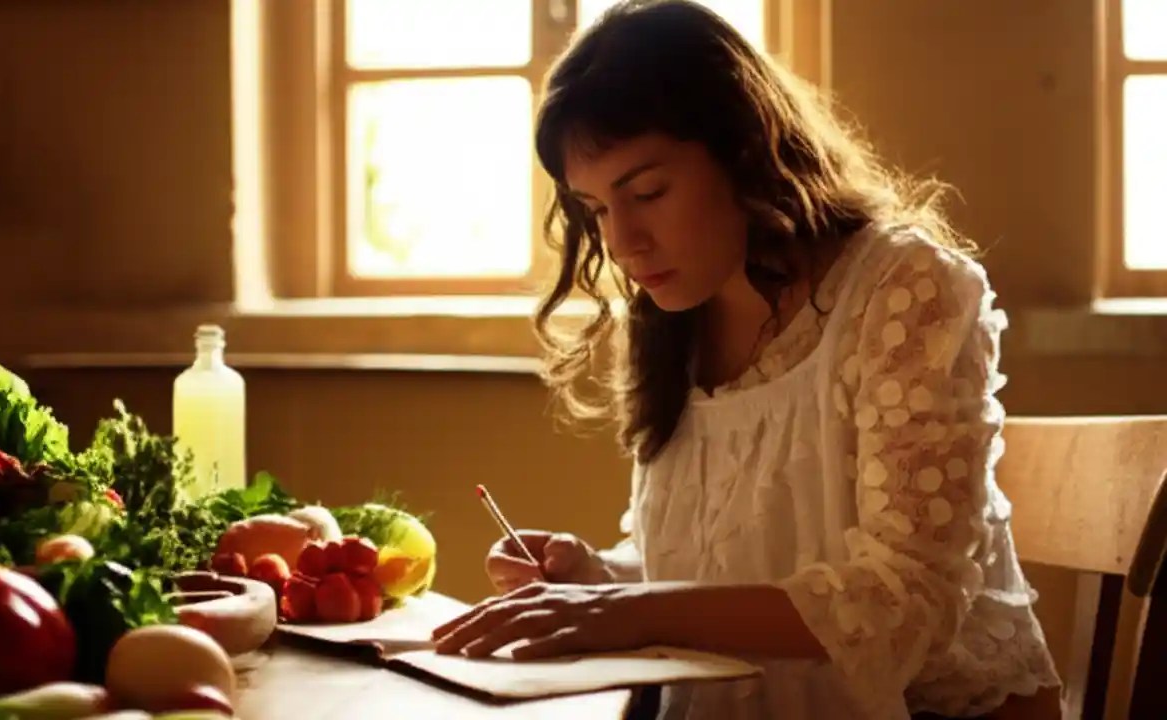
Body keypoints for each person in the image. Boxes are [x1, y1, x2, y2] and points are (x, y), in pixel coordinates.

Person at [429, 1, 1062, 718]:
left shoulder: (904, 289)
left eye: (647, 192)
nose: (624, 242)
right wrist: (602, 580)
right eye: (597, 209)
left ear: (745, 150)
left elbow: (904, 596)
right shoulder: (676, 313)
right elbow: (723, 567)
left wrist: (632, 612)